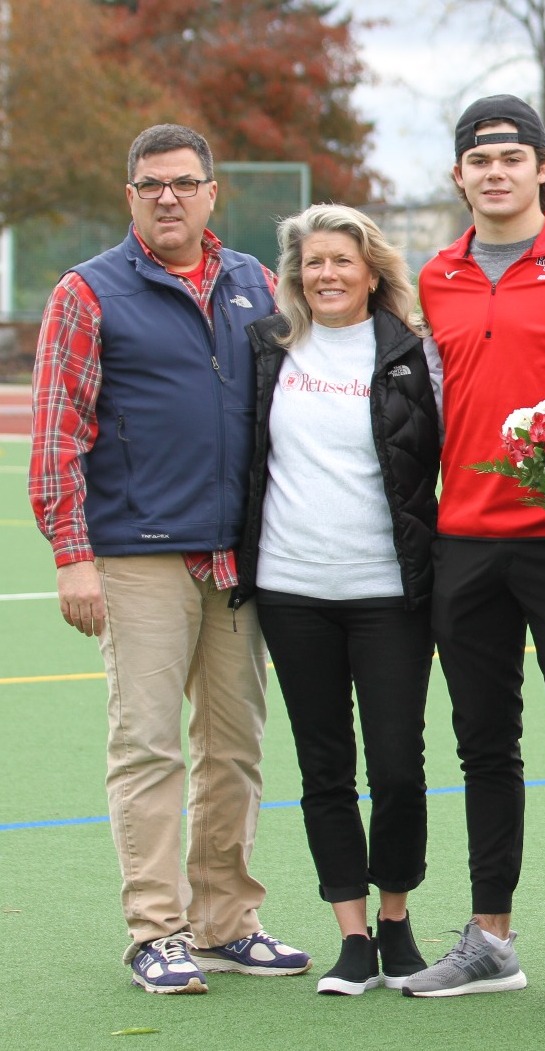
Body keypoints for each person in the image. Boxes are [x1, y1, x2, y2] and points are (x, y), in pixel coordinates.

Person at [28, 123, 310, 992]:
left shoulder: (254, 283)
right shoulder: (88, 292)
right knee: (148, 747)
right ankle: (157, 929)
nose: (169, 197)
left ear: (212, 192)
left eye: (184, 182)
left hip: (237, 559)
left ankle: (226, 919)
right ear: (131, 196)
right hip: (138, 554)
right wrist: (73, 556)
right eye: (151, 184)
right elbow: (56, 434)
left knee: (235, 748)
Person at [401, 94, 545, 999]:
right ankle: (491, 935)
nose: (495, 170)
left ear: (543, 167)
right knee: (481, 745)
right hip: (463, 538)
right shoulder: (439, 276)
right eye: (478, 158)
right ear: (457, 175)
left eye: (513, 155)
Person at [235, 204, 441, 996]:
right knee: (325, 766)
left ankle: (397, 919)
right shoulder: (269, 350)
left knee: (396, 766)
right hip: (292, 592)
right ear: (295, 275)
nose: (326, 275)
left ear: (371, 271)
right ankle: (351, 934)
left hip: (389, 592)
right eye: (313, 262)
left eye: (342, 262)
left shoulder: (413, 354)